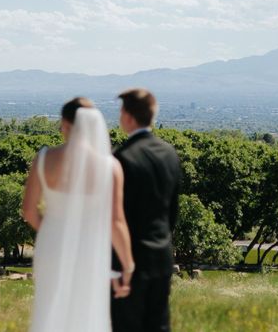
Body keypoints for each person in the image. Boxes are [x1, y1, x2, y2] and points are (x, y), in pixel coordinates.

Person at [22, 97, 135, 332]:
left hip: (52, 245)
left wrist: (56, 232)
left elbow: (30, 212)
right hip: (89, 249)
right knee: (85, 311)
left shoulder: (43, 159)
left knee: (48, 308)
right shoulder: (110, 166)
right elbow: (116, 221)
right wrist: (127, 265)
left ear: (65, 123)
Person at [111, 88, 182, 332]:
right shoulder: (170, 153)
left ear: (128, 116)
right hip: (161, 255)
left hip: (129, 260)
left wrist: (117, 265)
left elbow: (116, 216)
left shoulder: (121, 158)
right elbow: (172, 210)